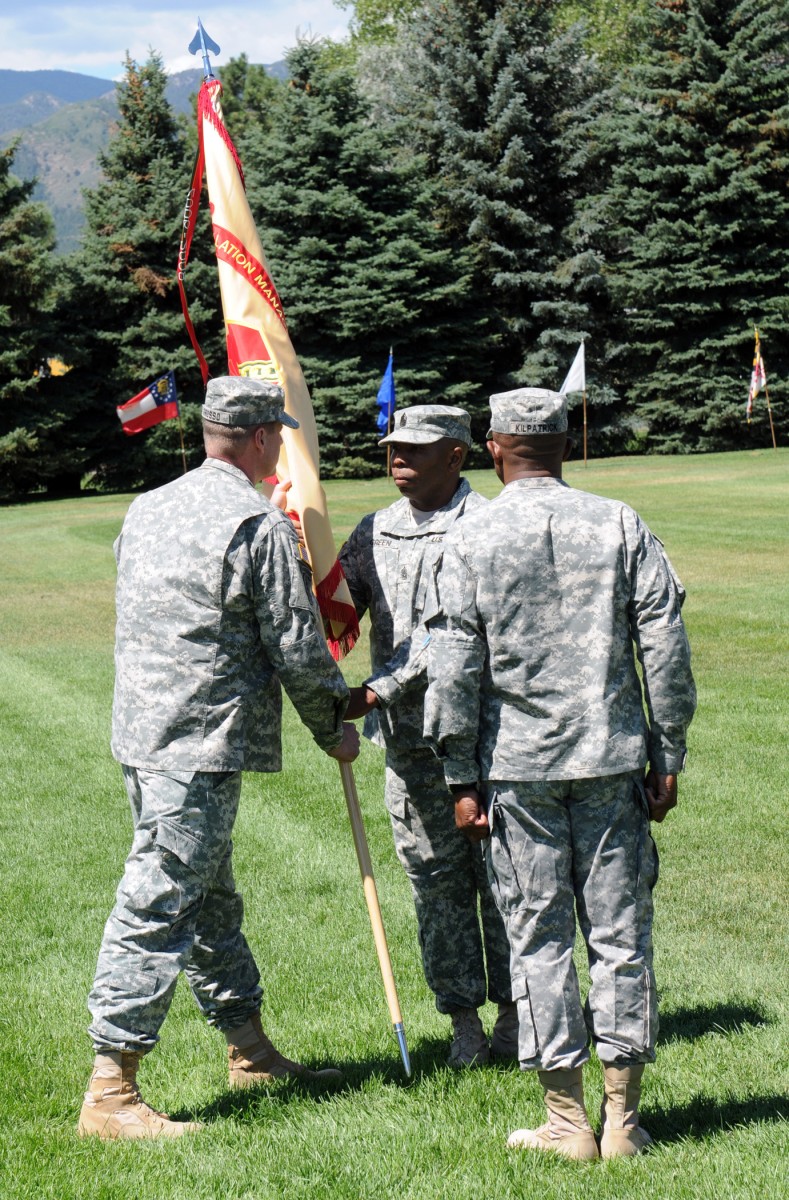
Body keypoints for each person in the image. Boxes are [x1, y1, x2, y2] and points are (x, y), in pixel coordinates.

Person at [79, 376, 360, 1140]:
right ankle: (111, 1090)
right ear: (264, 438)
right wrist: (331, 722)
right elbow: (298, 647)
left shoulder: (148, 507)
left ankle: (248, 1048)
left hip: (144, 733)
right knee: (160, 899)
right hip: (198, 739)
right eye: (279, 437)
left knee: (208, 899)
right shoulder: (254, 523)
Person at [424, 387, 696, 1158]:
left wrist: (458, 776)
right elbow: (665, 652)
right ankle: (624, 1121)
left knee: (537, 940)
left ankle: (566, 1121)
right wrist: (666, 751)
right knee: (620, 940)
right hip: (611, 765)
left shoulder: (471, 538)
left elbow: (454, 671)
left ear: (494, 448)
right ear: (563, 446)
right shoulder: (618, 522)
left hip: (518, 773)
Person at [340, 404, 515, 1067]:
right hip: (410, 747)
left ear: (457, 456)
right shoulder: (372, 532)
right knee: (435, 887)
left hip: (487, 740)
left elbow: (448, 635)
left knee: (505, 885)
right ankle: (463, 1020)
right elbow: (337, 615)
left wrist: (376, 689)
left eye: (415, 449)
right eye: (392, 448)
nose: (397, 460)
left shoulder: (493, 527)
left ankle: (517, 1015)